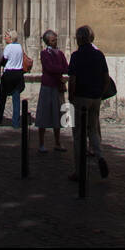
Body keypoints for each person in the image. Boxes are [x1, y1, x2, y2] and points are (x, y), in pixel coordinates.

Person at [67, 24, 109, 180]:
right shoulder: (99, 55)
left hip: (80, 97)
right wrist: (100, 94)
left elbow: (72, 80)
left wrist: (71, 97)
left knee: (78, 134)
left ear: (79, 39)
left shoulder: (76, 56)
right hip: (95, 98)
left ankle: (79, 171)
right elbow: (106, 79)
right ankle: (100, 156)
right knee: (93, 130)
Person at [35, 30, 69, 152]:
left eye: (55, 39)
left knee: (59, 115)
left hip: (57, 86)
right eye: (53, 40)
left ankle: (58, 142)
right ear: (47, 41)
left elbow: (66, 67)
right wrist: (59, 69)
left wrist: (59, 69)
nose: (55, 42)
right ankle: (41, 143)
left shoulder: (60, 53)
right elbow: (49, 67)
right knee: (44, 115)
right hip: (48, 86)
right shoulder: (44, 53)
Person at [0, 30, 25, 127]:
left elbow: (4, 60)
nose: (5, 38)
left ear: (11, 38)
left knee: (2, 97)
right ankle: (15, 122)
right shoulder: (19, 46)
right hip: (18, 74)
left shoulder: (8, 47)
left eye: (6, 36)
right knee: (16, 99)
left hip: (9, 74)